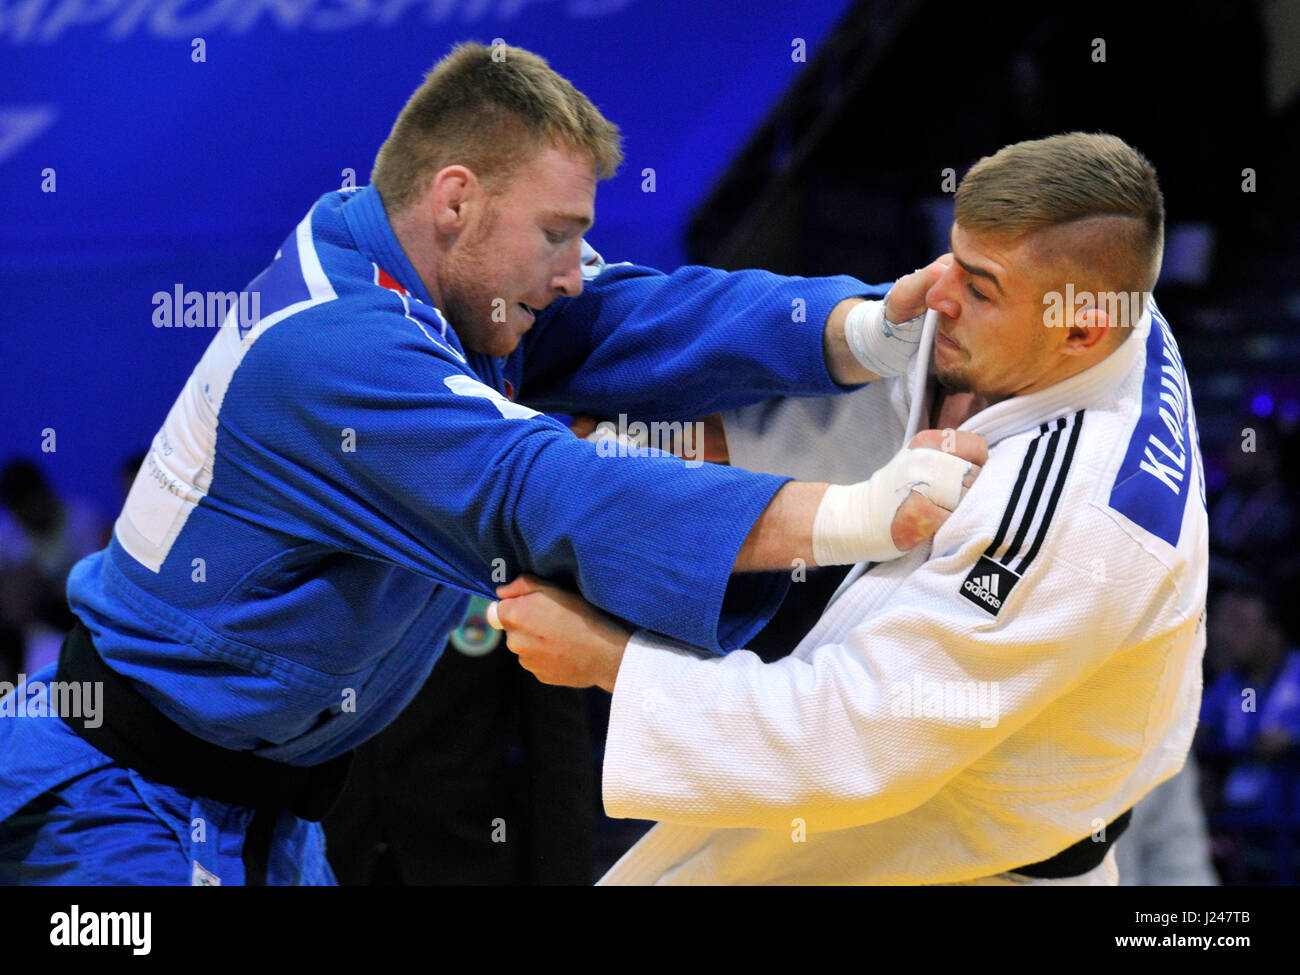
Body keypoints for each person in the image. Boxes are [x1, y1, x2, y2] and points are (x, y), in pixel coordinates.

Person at [0, 43, 982, 886]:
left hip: (263, 808)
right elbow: (544, 485)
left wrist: (864, 325)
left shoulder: (412, 266)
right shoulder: (337, 351)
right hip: (117, 805)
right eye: (557, 233)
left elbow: (630, 310)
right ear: (457, 200)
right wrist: (857, 516)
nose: (570, 267)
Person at [491, 132, 1210, 885]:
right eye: (952, 260)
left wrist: (610, 660)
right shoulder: (1096, 308)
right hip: (921, 801)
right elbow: (888, 412)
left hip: (960, 852)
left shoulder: (1076, 526)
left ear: (1081, 329)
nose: (940, 297)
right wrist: (647, 442)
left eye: (980, 286)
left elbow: (851, 735)